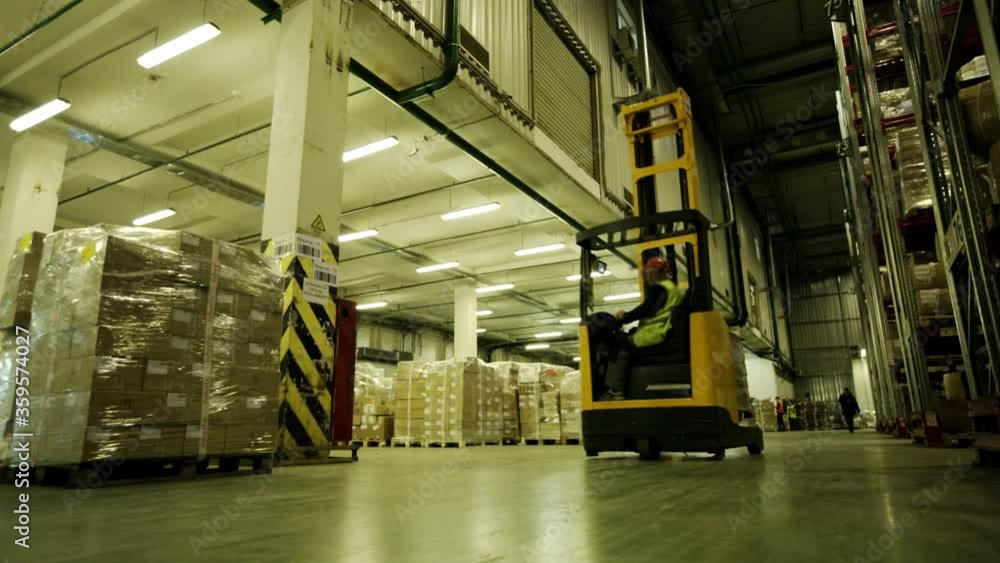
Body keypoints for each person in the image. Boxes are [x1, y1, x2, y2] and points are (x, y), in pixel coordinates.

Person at [598, 256, 686, 400]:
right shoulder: (672, 289)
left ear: (656, 272)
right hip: (661, 332)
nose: (648, 276)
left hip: (655, 334)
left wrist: (624, 317)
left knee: (618, 342)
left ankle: (615, 390)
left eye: (649, 272)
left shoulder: (660, 288)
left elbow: (645, 310)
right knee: (626, 337)